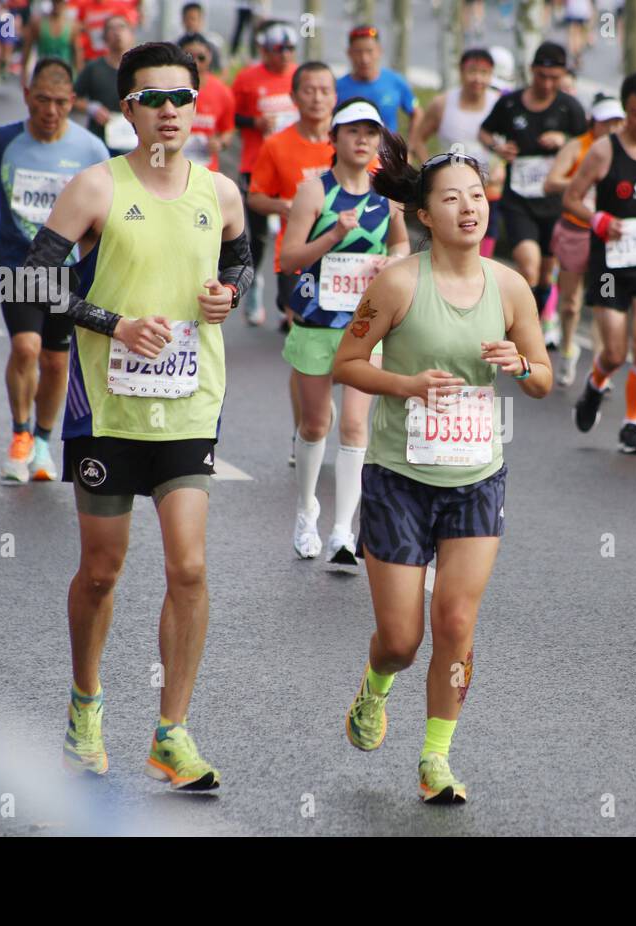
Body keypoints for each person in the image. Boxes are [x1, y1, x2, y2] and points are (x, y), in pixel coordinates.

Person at [10, 41, 253, 789]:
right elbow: (32, 280)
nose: (171, 111)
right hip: (105, 404)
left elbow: (241, 260)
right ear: (129, 111)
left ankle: (171, 732)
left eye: (183, 97)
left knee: (189, 565)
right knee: (103, 571)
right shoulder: (95, 188)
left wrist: (230, 293)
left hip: (189, 403)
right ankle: (86, 705)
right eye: (155, 98)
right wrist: (111, 323)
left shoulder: (221, 191)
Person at [332, 137, 550, 804]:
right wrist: (404, 385)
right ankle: (377, 685)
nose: (468, 208)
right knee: (401, 640)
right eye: (451, 199)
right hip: (399, 478)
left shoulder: (510, 286)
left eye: (477, 197)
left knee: (455, 622)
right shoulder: (398, 282)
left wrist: (520, 366)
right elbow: (346, 364)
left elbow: (542, 378)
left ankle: (436, 758)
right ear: (424, 214)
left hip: (477, 479)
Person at [0, 57, 108, 483]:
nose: (50, 111)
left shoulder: (90, 149)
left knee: (56, 362)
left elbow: (105, 203)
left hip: (66, 272)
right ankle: (20, 433)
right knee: (26, 348)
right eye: (41, 100)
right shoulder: (2, 138)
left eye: (61, 102)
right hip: (17, 264)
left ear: (73, 102)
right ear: (26, 96)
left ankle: (44, 441)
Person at [280, 98, 408, 562]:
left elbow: (401, 245)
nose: (363, 140)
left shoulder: (386, 196)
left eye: (371, 133)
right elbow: (289, 259)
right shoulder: (316, 192)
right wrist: (333, 235)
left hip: (363, 327)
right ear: (334, 138)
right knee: (317, 423)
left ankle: (342, 531)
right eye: (353, 131)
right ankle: (305, 512)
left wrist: (390, 261)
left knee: (356, 425)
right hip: (316, 322)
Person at [566, 72, 636, 455]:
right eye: (635, 113)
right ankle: (595, 386)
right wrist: (596, 219)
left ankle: (632, 424)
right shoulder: (604, 150)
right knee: (615, 352)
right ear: (625, 109)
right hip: (610, 267)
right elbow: (571, 198)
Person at [249, 60, 338, 459]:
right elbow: (255, 196)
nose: (317, 97)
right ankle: (303, 432)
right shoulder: (278, 145)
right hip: (299, 261)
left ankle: (343, 430)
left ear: (335, 96)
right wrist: (286, 205)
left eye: (325, 90)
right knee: (305, 345)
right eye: (309, 90)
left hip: (351, 265)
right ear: (295, 96)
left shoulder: (354, 142)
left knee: (352, 349)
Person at [478, 41, 587, 349]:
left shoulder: (570, 108)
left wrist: (564, 140)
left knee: (545, 273)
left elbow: (590, 146)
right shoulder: (511, 104)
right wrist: (497, 147)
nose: (547, 84)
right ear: (532, 72)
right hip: (519, 200)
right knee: (528, 264)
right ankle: (522, 324)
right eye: (542, 76)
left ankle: (535, 320)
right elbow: (485, 132)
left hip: (556, 204)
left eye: (554, 77)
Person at [544, 92, 622, 387]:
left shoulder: (624, 150)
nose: (612, 129)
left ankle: (599, 369)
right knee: (571, 304)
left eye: (617, 122)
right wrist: (584, 180)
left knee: (604, 302)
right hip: (575, 233)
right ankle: (567, 350)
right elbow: (551, 182)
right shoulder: (577, 147)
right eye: (606, 123)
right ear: (593, 123)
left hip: (607, 241)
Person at [231, 20, 297, 325]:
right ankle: (254, 284)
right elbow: (232, 116)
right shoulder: (247, 79)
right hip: (257, 165)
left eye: (289, 50)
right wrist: (254, 123)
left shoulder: (300, 77)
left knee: (298, 230)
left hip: (293, 166)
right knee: (257, 235)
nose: (284, 56)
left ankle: (292, 304)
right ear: (264, 51)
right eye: (277, 50)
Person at [73, 14, 137, 155]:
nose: (117, 32)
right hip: (99, 141)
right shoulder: (94, 68)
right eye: (111, 29)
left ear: (131, 35)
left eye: (121, 27)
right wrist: (91, 108)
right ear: (104, 37)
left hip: (132, 141)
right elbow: (72, 98)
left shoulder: (141, 70)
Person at [334, 25, 415, 135]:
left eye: (369, 51)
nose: (364, 59)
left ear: (379, 51)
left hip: (387, 150)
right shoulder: (337, 88)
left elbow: (416, 110)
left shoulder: (395, 81)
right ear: (349, 53)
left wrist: (412, 144)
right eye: (358, 52)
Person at [178, 33, 233, 171]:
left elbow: (227, 131)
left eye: (201, 57)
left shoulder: (222, 92)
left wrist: (219, 143)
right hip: (172, 170)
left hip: (206, 171)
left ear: (210, 56)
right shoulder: (166, 89)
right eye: (189, 56)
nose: (195, 62)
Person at [18, 0, 82, 92]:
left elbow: (77, 53)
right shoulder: (38, 23)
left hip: (64, 75)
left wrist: (80, 78)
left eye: (60, 2)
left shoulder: (73, 26)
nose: (57, 5)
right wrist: (23, 71)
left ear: (65, 4)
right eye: (55, 2)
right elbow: (27, 47)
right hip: (42, 73)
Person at [177, 2, 224, 71]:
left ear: (201, 20)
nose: (190, 22)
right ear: (183, 20)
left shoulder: (211, 48)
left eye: (193, 19)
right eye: (187, 19)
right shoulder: (176, 47)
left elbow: (219, 71)